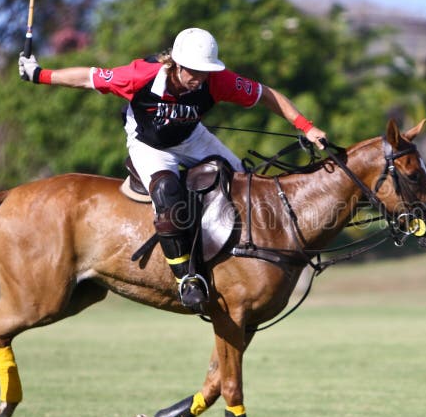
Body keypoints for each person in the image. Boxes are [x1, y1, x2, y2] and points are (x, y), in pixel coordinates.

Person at [18, 27, 327, 312]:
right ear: (176, 64)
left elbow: (266, 94)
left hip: (193, 139)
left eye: (206, 72)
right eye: (194, 71)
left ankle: (241, 258)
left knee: (245, 185)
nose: (200, 78)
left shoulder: (216, 80)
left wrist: (306, 127)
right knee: (167, 192)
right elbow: (88, 77)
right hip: (149, 144)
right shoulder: (142, 75)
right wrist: (39, 74)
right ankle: (186, 278)